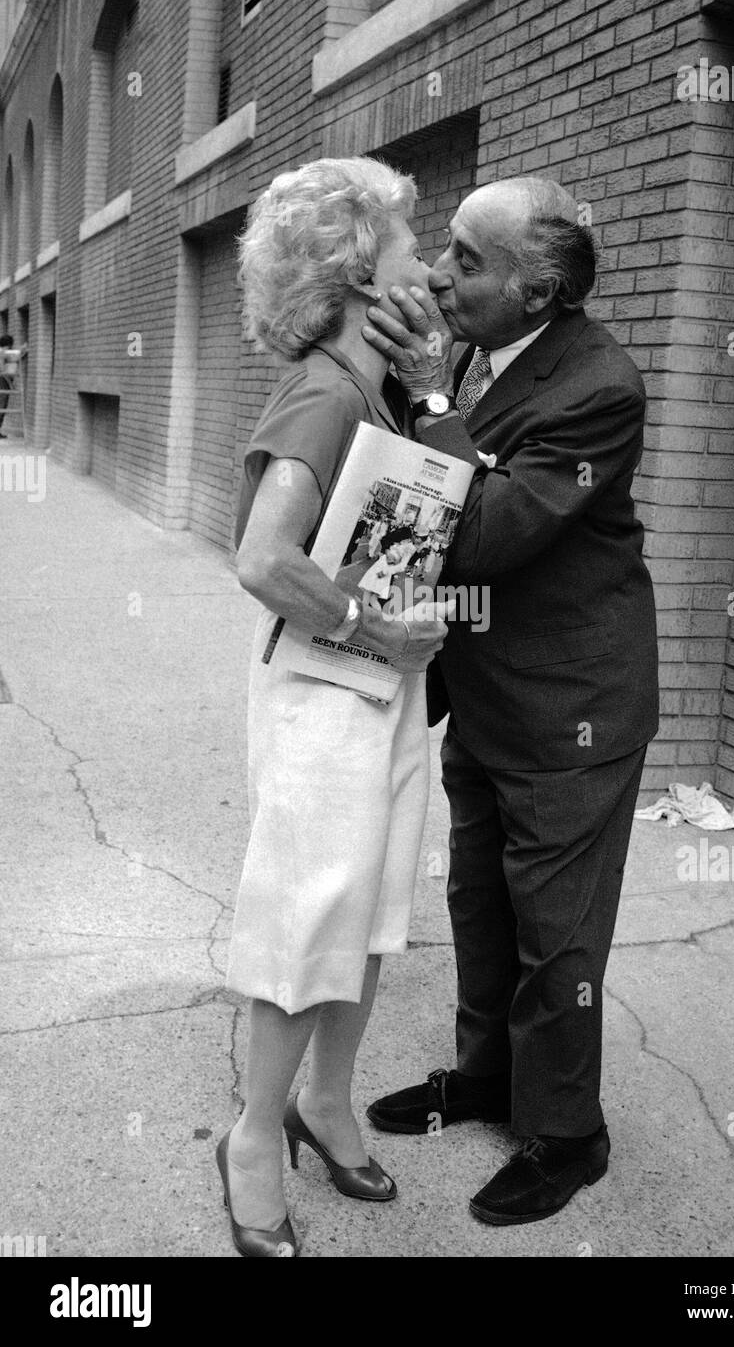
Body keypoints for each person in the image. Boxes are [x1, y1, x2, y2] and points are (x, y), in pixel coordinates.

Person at [362, 176, 660, 1226]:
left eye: (466, 260)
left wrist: (432, 401)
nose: (441, 274)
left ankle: (567, 1133)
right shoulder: (479, 355)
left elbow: (480, 529)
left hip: (569, 708)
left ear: (537, 292)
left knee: (557, 932)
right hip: (486, 691)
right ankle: (486, 1079)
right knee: (480, 903)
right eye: (442, 249)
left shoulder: (599, 386)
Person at [220, 158, 452, 1257]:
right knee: (302, 921)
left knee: (365, 920)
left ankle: (326, 1103)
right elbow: (262, 558)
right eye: (412, 246)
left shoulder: (381, 385)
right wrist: (374, 625)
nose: (431, 263)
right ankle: (253, 1138)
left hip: (375, 687)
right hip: (325, 692)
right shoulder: (324, 389)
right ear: (362, 271)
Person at [0, 334, 17, 438]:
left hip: (3, 381)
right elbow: (1, 371)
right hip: (2, 382)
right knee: (1, 405)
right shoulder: (1, 353)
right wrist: (10, 384)